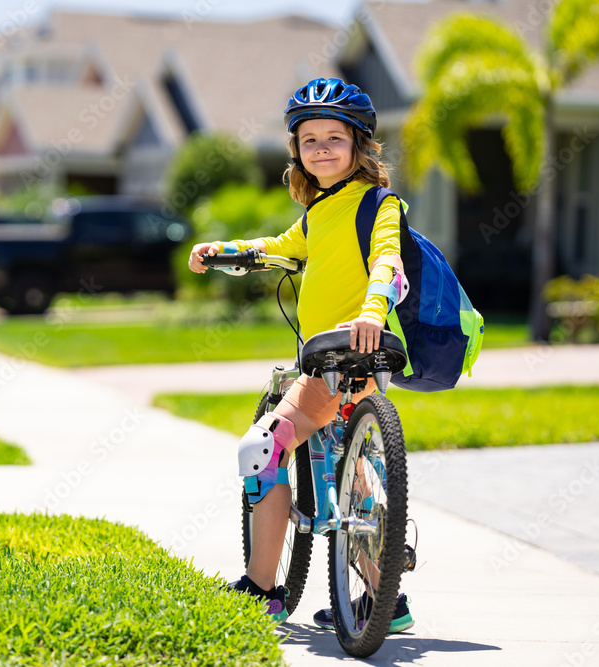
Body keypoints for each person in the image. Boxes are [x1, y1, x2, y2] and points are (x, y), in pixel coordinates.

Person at [188, 77, 414, 631]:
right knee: (354, 486)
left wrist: (372, 311)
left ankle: (261, 589)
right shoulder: (319, 213)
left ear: (360, 145)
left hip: (349, 350)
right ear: (296, 153)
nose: (321, 149)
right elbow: (279, 249)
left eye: (334, 138)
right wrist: (226, 251)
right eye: (308, 140)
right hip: (331, 361)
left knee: (260, 450)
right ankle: (389, 602)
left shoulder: (379, 204)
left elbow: (387, 260)